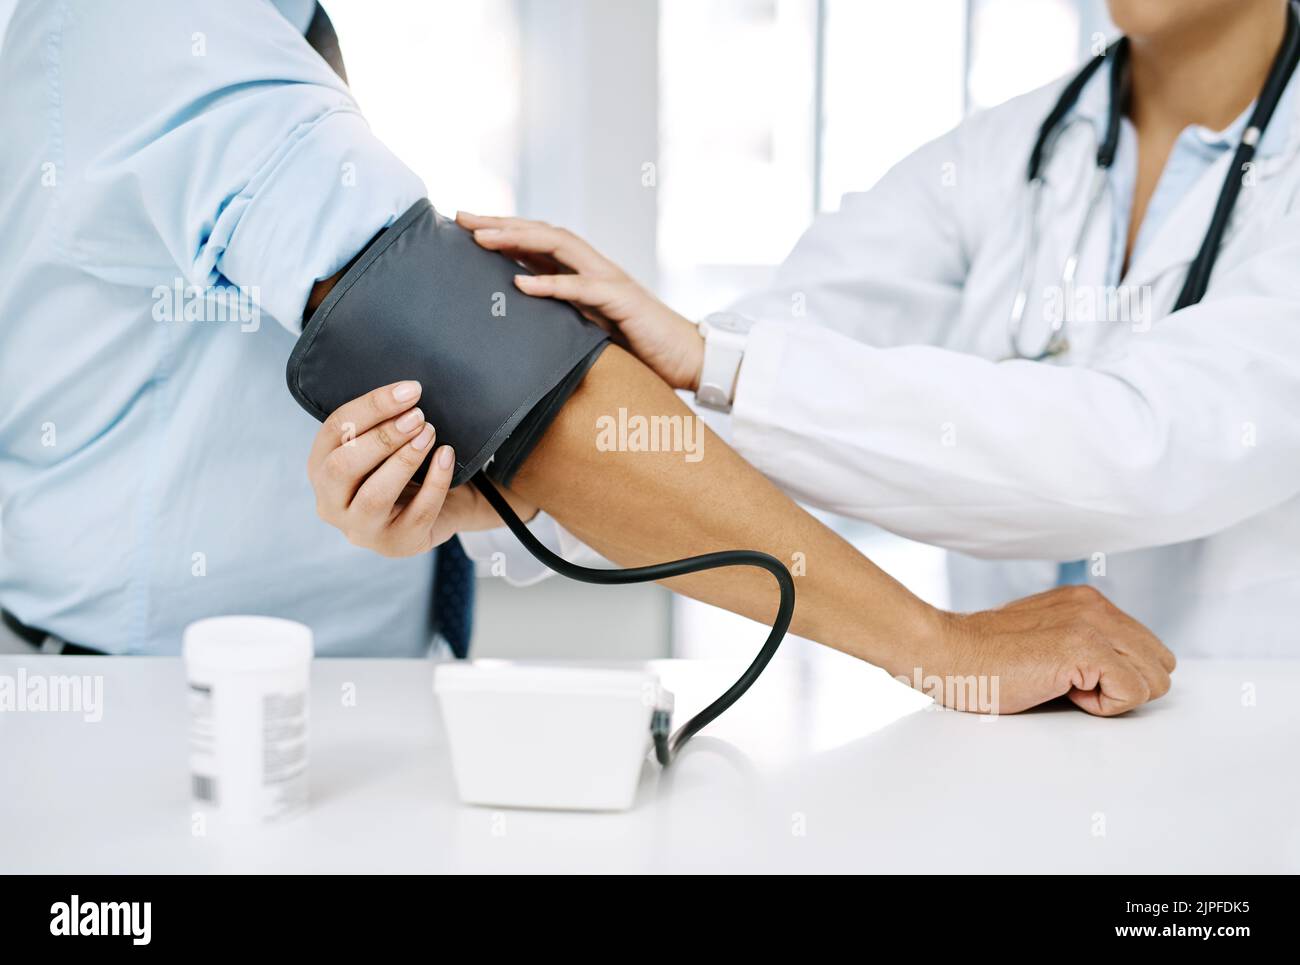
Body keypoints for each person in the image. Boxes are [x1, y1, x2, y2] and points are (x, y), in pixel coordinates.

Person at [0, 0, 1172, 716]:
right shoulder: (156, 24)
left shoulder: (262, 26)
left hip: (339, 695)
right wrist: (937, 648)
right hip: (159, 719)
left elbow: (495, 389)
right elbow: (496, 367)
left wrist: (474, 492)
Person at [459, 0, 1300, 659]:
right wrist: (516, 488)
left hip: (1232, 752)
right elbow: (777, 344)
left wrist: (721, 364)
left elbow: (1140, 446)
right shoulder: (1013, 150)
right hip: (1011, 733)